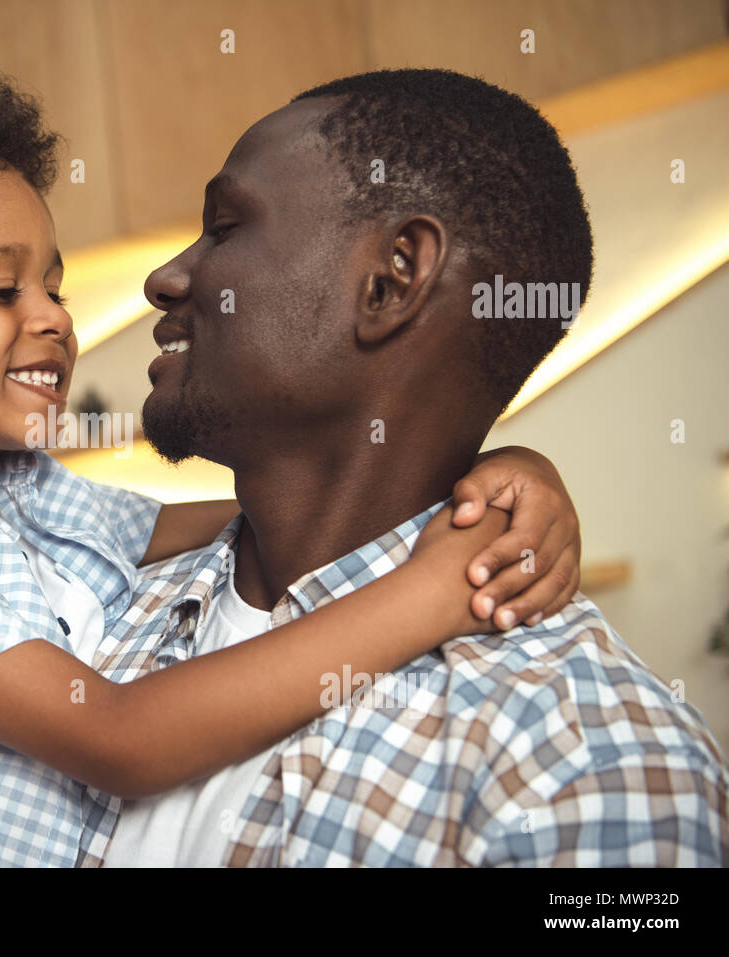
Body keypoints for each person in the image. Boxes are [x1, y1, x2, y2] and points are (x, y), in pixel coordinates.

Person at [0, 63, 584, 867]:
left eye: (56, 288)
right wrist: (433, 590)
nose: (53, 318)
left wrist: (491, 474)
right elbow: (121, 739)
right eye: (2, 290)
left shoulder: (26, 496)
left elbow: (225, 518)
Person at [86, 68, 729, 867]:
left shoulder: (587, 770)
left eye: (224, 227)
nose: (166, 277)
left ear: (392, 279)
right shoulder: (86, 606)